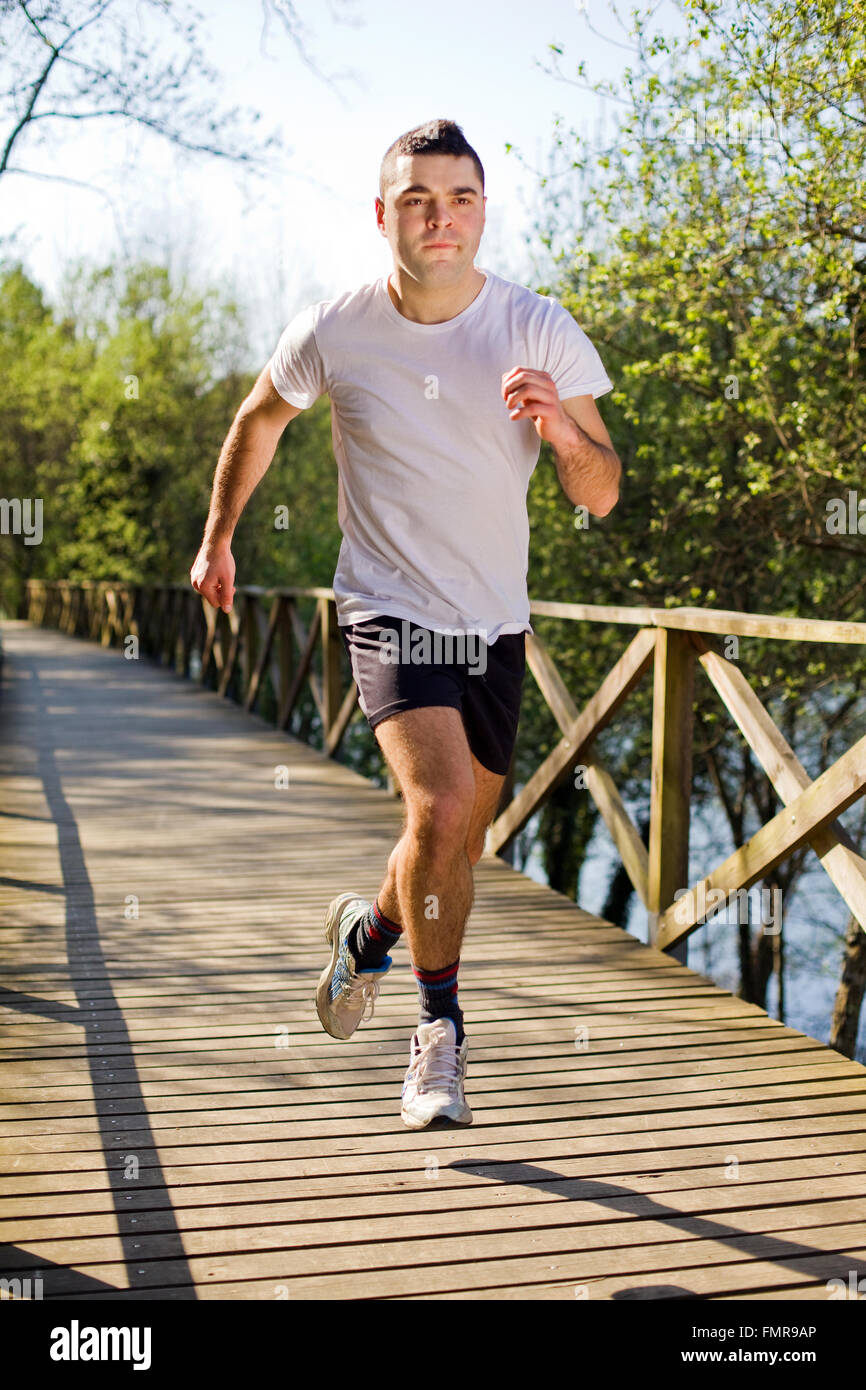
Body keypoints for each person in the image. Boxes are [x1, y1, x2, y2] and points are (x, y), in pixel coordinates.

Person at [190, 118, 620, 1130]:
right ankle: (439, 1042)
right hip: (387, 608)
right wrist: (218, 540)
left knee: (453, 848)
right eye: (417, 199)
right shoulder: (335, 328)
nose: (439, 217)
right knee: (435, 815)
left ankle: (368, 937)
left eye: (458, 197)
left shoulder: (538, 328)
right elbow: (258, 417)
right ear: (383, 214)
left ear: (482, 211)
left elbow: (599, 491)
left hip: (492, 625)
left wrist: (561, 426)